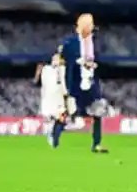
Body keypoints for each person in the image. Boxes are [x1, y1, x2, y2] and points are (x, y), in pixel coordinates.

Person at [57, 13, 107, 154]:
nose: (92, 27)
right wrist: (78, 62)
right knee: (70, 112)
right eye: (90, 24)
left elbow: (101, 59)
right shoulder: (71, 43)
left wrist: (95, 65)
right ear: (83, 26)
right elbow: (64, 60)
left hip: (91, 82)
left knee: (98, 111)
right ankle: (56, 134)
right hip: (76, 82)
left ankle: (96, 143)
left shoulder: (96, 42)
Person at [40, 53, 68, 149]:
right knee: (53, 118)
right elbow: (45, 84)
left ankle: (55, 139)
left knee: (61, 118)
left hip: (58, 97)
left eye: (58, 59)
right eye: (55, 59)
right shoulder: (47, 69)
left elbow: (63, 82)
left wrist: (64, 93)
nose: (56, 60)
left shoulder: (62, 69)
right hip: (50, 97)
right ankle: (51, 136)